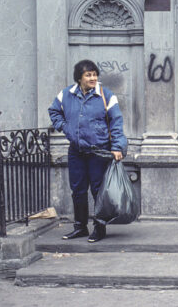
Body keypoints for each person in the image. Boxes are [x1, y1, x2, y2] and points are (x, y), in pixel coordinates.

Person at [48, 59, 127, 243]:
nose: (93, 78)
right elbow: (54, 111)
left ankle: (99, 228)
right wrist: (65, 127)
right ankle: (80, 227)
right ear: (79, 78)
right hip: (76, 151)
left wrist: (117, 147)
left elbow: (116, 122)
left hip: (99, 151)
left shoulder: (106, 95)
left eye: (94, 74)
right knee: (78, 190)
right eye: (88, 75)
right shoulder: (66, 94)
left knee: (98, 191)